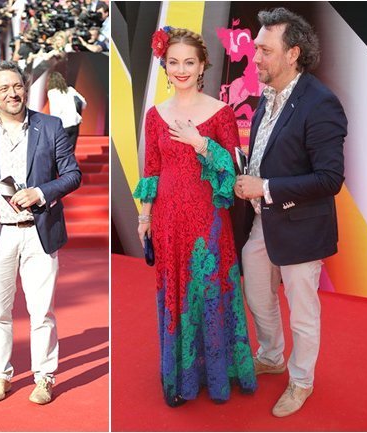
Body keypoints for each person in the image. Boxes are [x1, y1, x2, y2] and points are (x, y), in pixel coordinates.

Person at [133, 27, 257, 407]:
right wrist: (144, 218)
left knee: (208, 291)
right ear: (165, 66)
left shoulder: (220, 113)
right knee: (176, 292)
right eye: (174, 62)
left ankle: (217, 375)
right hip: (168, 220)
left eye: (189, 62)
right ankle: (181, 375)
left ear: (203, 66)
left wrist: (200, 143)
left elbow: (232, 171)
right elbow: (151, 170)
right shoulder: (155, 115)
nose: (181, 70)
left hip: (208, 221)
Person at [234, 8, 347, 417]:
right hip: (263, 221)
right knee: (256, 291)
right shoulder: (268, 96)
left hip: (301, 226)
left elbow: (330, 178)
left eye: (265, 50)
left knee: (302, 312)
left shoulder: (321, 103)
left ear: (293, 53)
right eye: (256, 48)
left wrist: (264, 187)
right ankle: (272, 355)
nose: (255, 57)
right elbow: (274, 154)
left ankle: (301, 381)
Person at [0, 61, 81, 404]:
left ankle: (44, 377)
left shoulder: (50, 126)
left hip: (39, 232)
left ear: (25, 88)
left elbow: (72, 174)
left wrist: (40, 192)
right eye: (4, 88)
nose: (12, 93)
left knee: (42, 311)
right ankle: (0, 375)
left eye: (17, 86)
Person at [47, 71, 86, 152]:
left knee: (61, 151)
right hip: (75, 123)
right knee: (71, 151)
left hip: (63, 125)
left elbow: (55, 111)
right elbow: (84, 103)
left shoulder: (52, 92)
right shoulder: (70, 90)